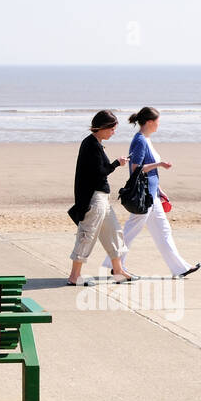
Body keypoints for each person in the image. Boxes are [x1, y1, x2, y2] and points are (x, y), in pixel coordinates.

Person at [101, 107, 201, 279]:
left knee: (163, 230)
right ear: (149, 122)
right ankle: (112, 265)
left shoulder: (146, 139)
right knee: (131, 231)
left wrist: (160, 190)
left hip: (152, 194)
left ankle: (179, 268)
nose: (159, 124)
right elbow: (135, 169)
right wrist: (160, 164)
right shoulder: (140, 140)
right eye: (157, 121)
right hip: (144, 196)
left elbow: (150, 173)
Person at [66, 110, 136, 286]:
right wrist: (116, 164)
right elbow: (99, 174)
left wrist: (114, 164)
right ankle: (74, 276)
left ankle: (118, 271)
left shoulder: (95, 143)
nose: (114, 132)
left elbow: (98, 171)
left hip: (102, 198)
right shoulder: (91, 144)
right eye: (112, 129)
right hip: (94, 199)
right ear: (103, 127)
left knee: (114, 232)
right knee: (87, 235)